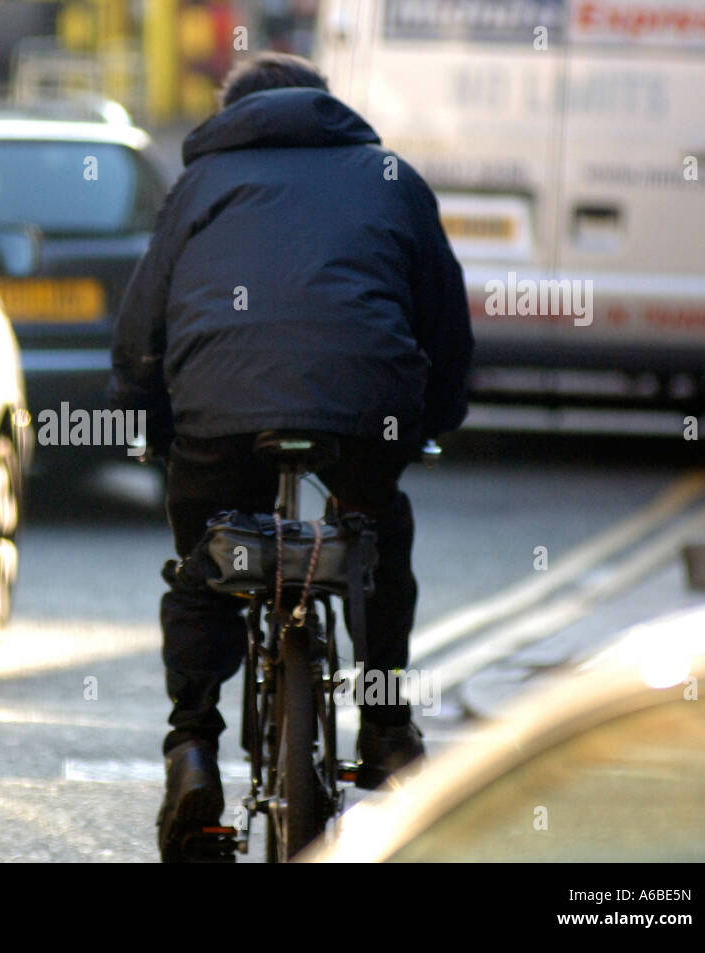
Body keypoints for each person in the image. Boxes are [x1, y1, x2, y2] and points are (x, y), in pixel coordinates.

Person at [107, 52, 474, 862]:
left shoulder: (198, 187)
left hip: (221, 404)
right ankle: (383, 727)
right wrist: (429, 425)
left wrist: (152, 425)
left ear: (233, 112)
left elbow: (142, 330)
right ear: (323, 106)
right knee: (377, 531)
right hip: (364, 405)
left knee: (203, 561)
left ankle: (192, 747)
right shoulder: (389, 176)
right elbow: (444, 323)